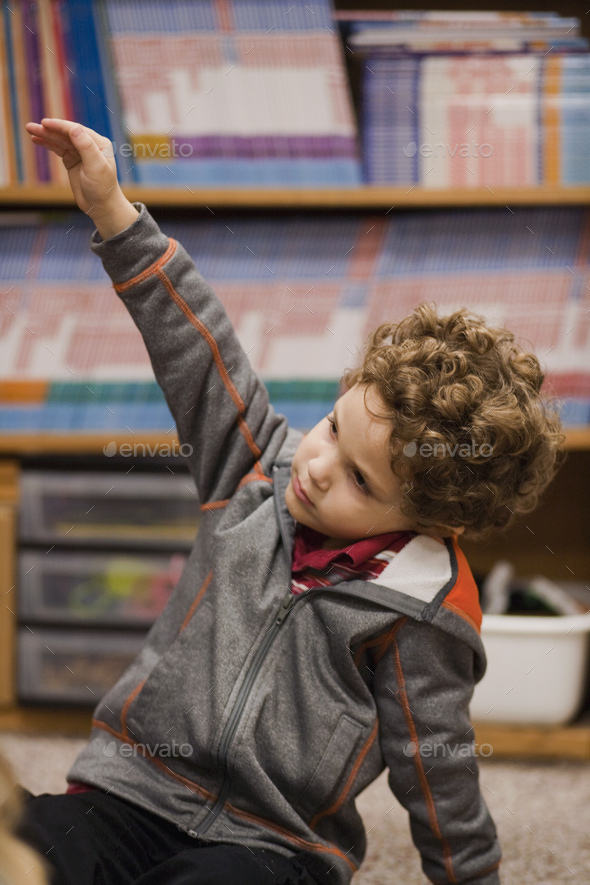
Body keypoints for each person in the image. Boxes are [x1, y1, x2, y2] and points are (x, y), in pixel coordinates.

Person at [19, 118, 564, 885]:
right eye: (333, 427)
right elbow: (196, 343)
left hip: (273, 846)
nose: (317, 465)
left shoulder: (422, 616)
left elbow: (437, 773)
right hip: (130, 790)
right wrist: (113, 210)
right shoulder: (254, 468)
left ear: (432, 520)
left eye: (362, 480)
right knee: (33, 841)